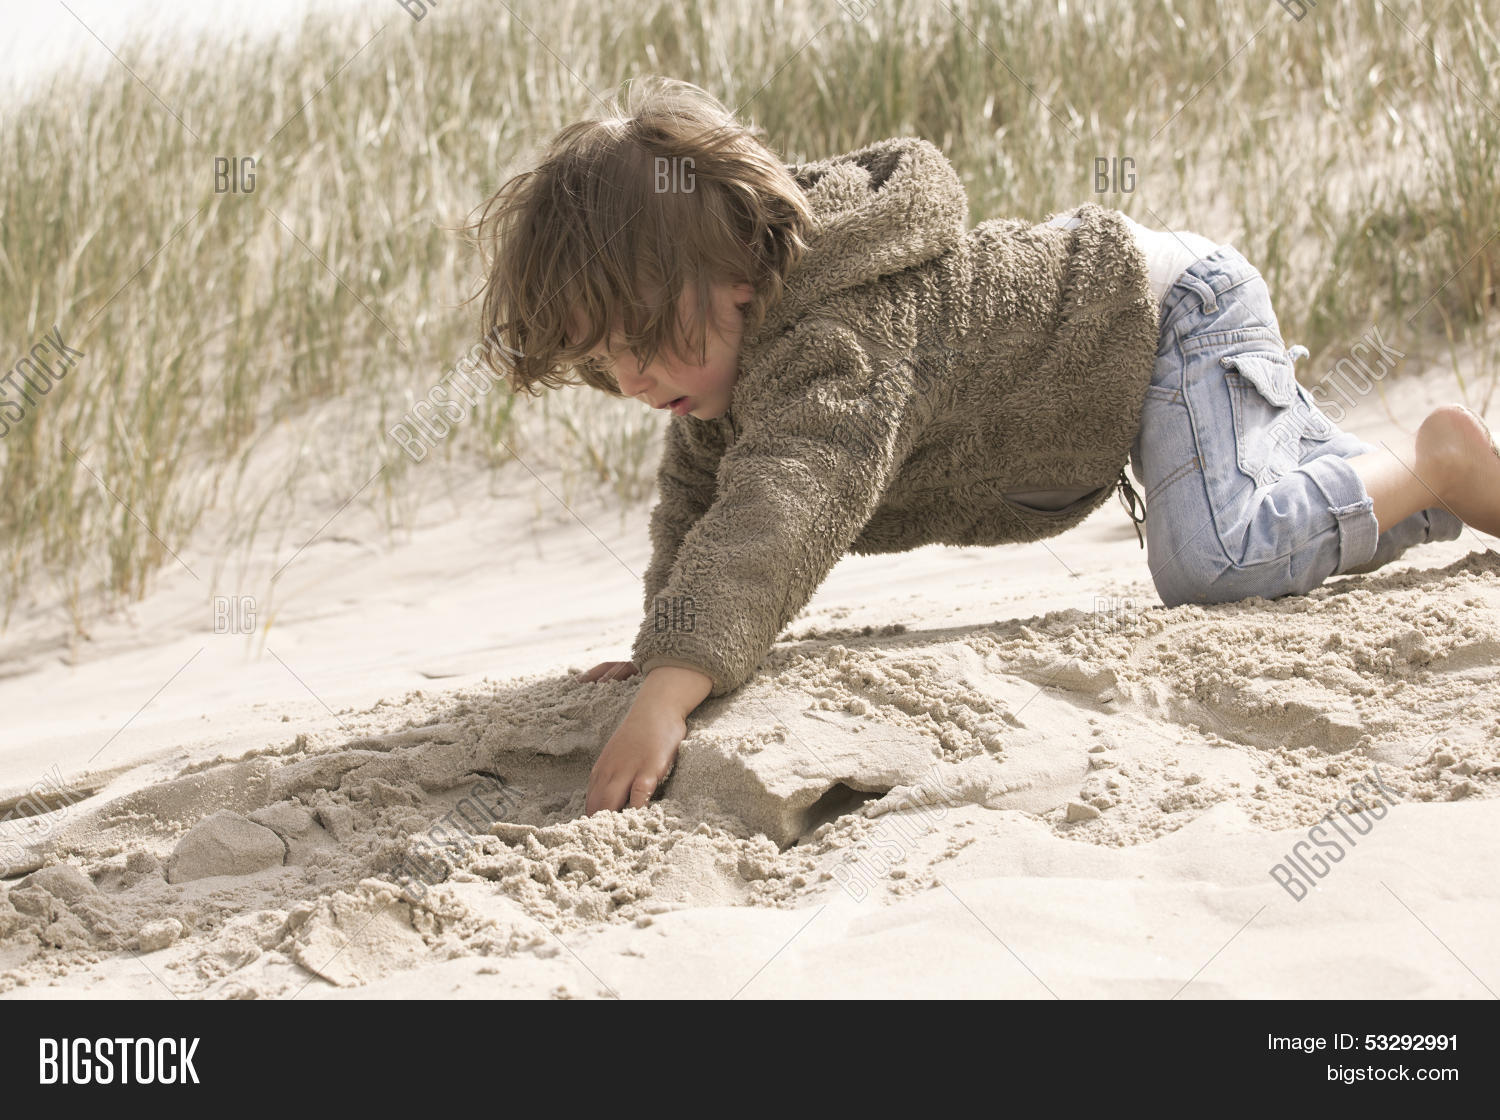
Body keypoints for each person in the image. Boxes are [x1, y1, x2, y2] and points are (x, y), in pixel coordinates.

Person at [470, 77, 1497, 815]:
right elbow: (701, 508)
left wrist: (671, 692)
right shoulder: (731, 373)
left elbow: (776, 513)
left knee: (1215, 560)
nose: (638, 379)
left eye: (649, 340)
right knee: (1253, 520)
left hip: (1170, 318)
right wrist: (664, 643)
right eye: (609, 362)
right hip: (1132, 381)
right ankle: (1379, 473)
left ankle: (1439, 462)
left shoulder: (841, 334)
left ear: (737, 272)